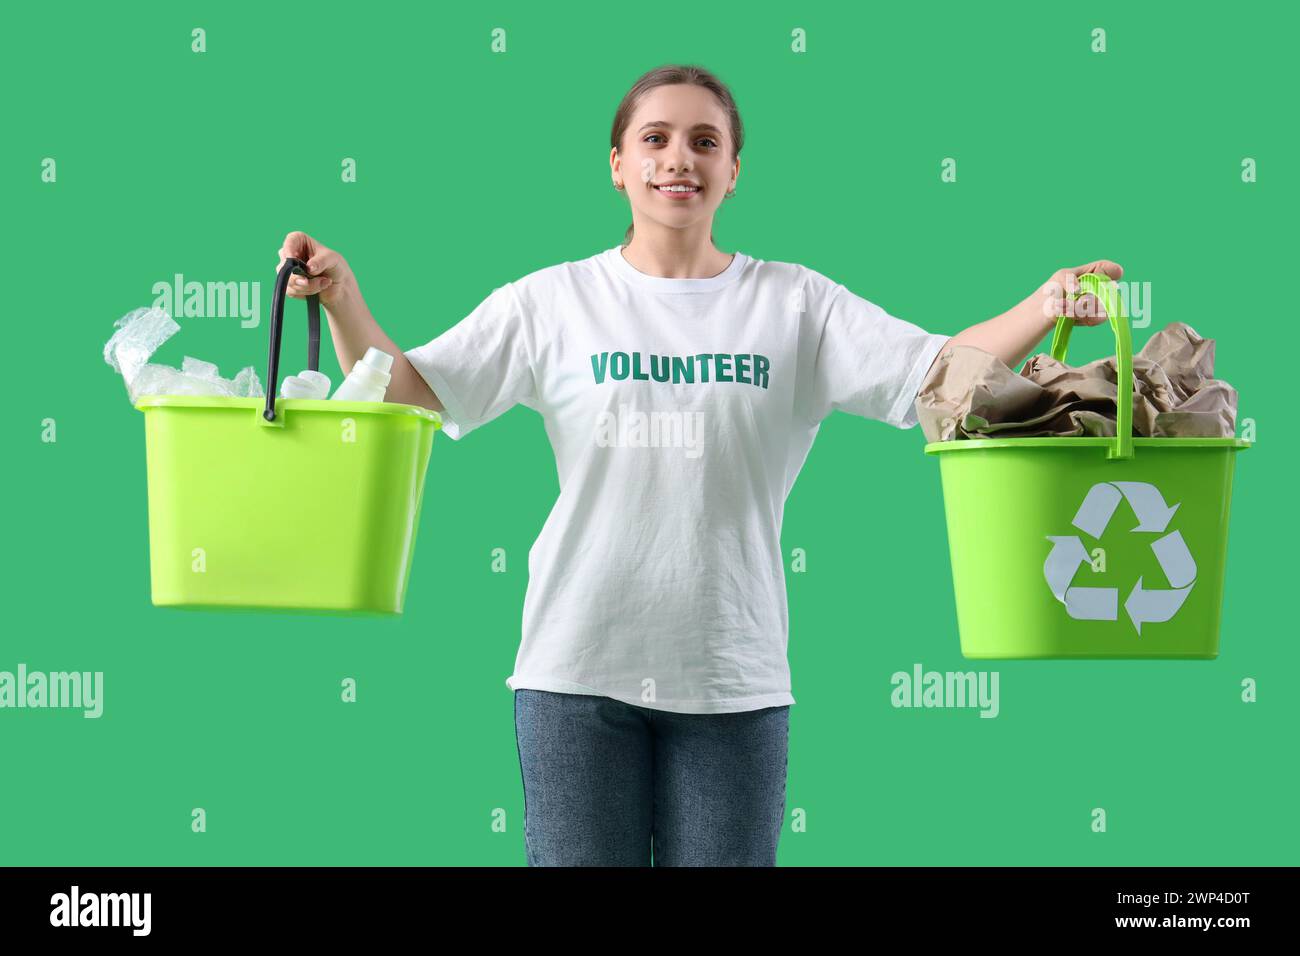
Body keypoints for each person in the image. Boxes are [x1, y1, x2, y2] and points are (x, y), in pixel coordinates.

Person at [277, 63, 1120, 867]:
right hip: (576, 671)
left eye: (704, 141)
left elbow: (937, 376)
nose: (678, 157)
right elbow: (417, 393)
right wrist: (345, 299)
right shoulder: (553, 301)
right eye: (654, 139)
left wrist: (1043, 304)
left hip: (732, 681)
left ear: (733, 169)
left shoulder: (795, 303)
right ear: (617, 164)